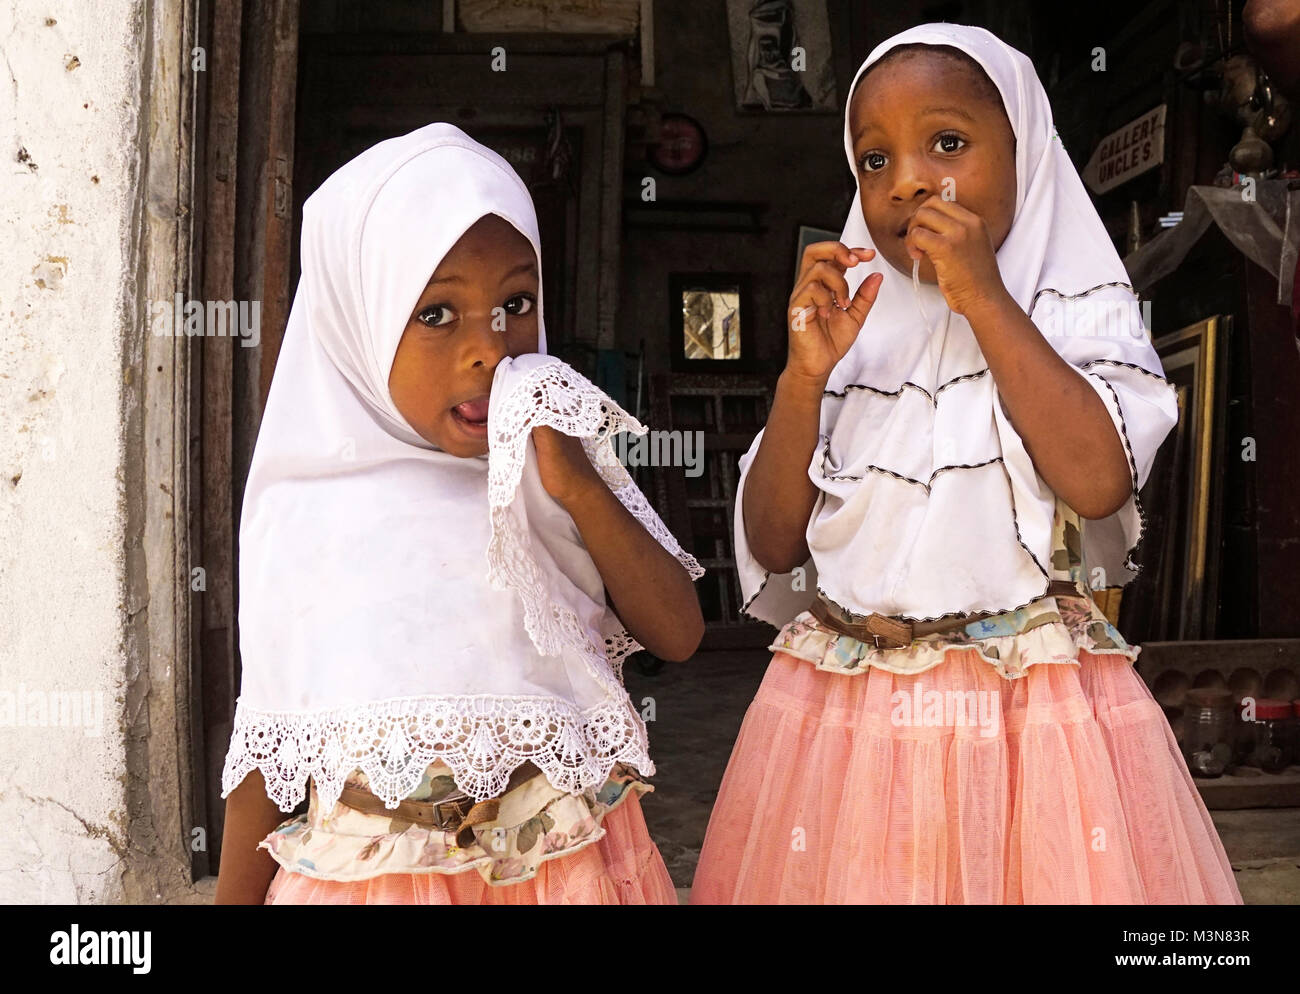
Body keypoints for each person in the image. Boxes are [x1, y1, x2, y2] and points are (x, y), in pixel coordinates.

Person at [690, 23, 1243, 904]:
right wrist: (803, 380)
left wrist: (983, 297)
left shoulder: (1072, 312)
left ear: (1026, 155)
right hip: (847, 723)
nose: (907, 178)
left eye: (946, 144)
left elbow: (1098, 478)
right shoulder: (852, 340)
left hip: (1026, 727)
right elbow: (773, 538)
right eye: (874, 161)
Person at [213, 123, 704, 905]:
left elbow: (678, 633)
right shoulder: (306, 515)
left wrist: (576, 484)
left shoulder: (548, 465)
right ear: (357, 326)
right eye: (437, 313)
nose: (491, 347)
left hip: (562, 875)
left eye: (516, 303)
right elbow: (271, 751)